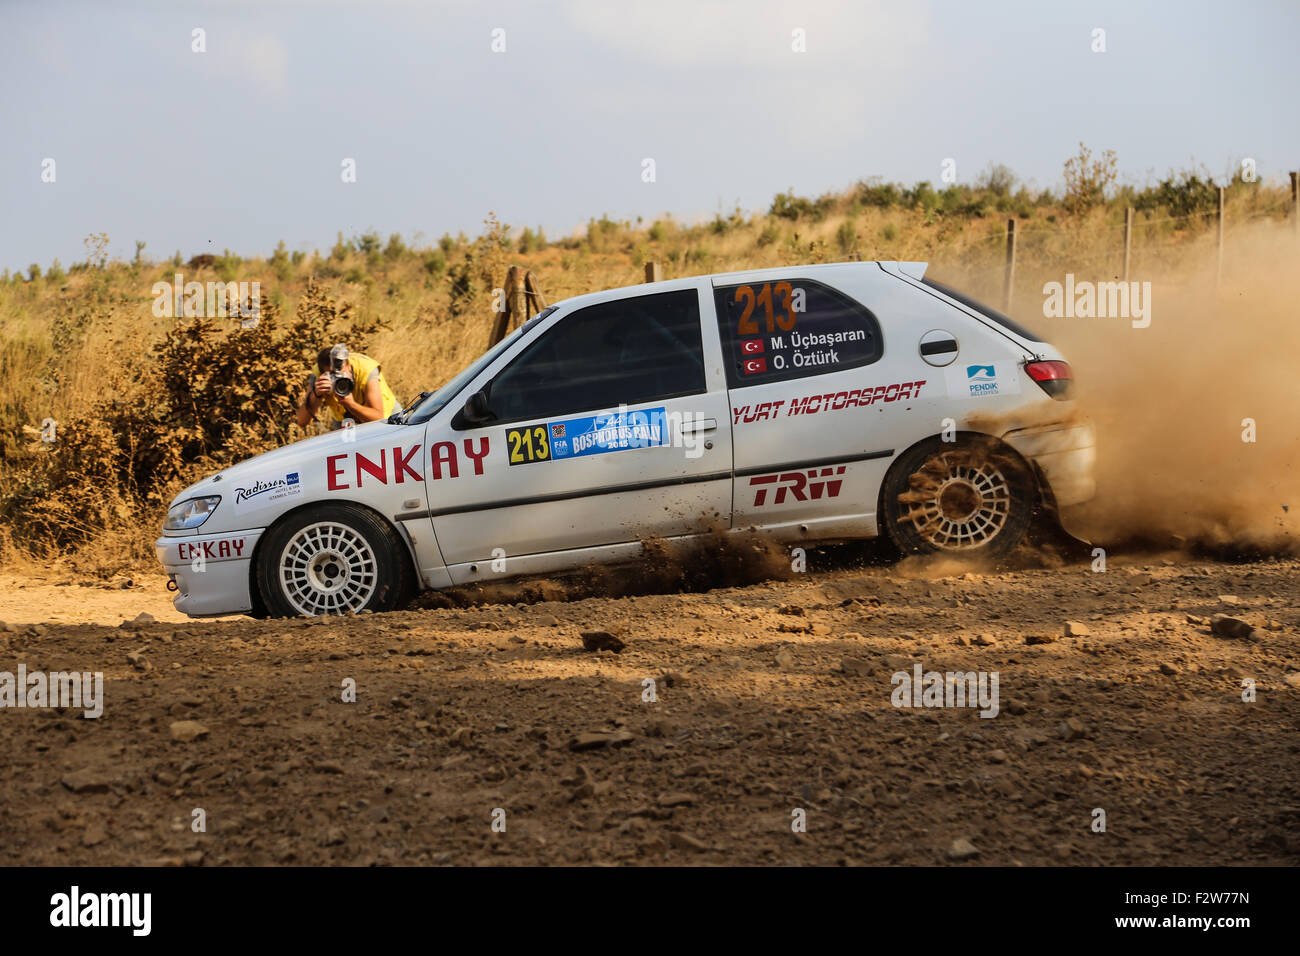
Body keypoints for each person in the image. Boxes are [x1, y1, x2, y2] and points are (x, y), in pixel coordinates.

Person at [296, 346, 400, 430]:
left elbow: (378, 417)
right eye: (332, 376)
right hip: (344, 420)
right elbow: (301, 421)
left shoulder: (366, 369)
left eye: (340, 374)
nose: (337, 379)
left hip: (389, 417)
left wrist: (351, 404)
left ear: (349, 365)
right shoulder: (318, 375)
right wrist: (316, 394)